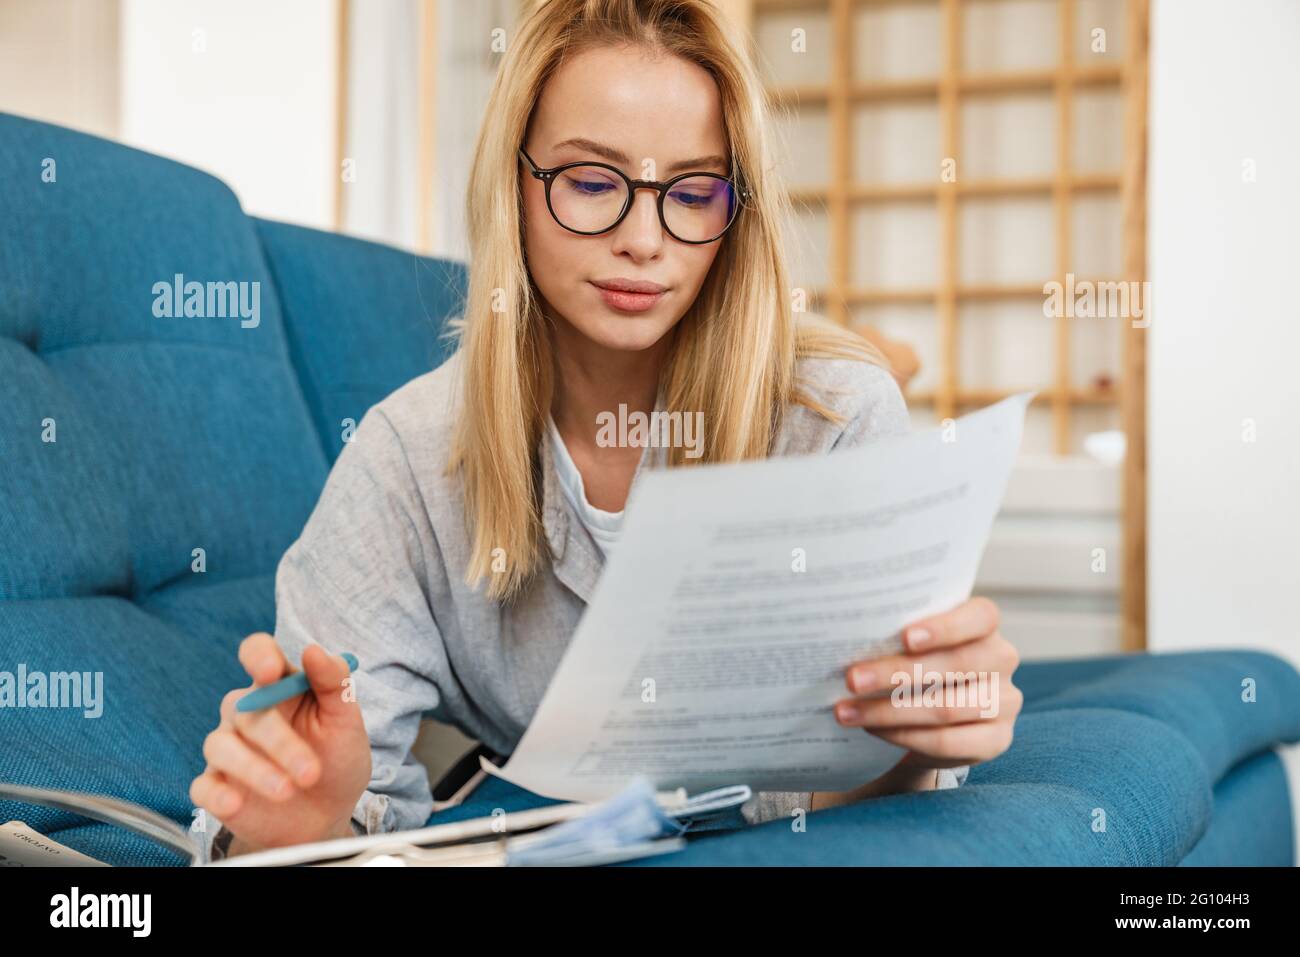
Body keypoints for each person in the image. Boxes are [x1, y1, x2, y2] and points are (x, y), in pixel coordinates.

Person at [189, 0, 1021, 862]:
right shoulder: (408, 456)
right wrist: (299, 821)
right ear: (513, 183)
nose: (644, 240)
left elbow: (837, 793)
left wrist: (920, 738)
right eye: (591, 183)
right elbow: (320, 791)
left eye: (694, 193)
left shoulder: (840, 421)